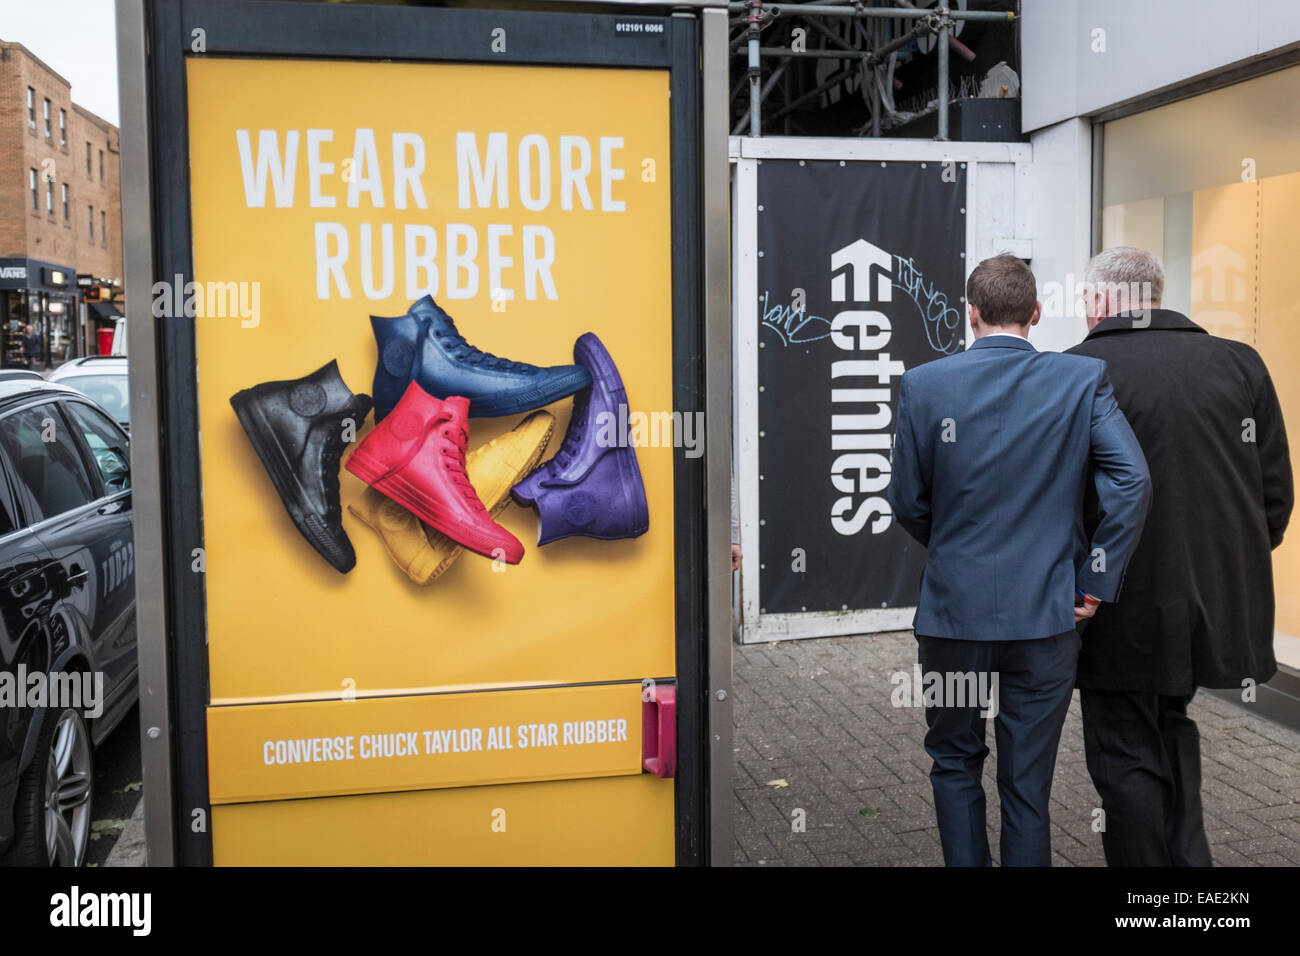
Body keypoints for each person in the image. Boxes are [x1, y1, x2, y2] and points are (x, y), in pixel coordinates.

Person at [888, 253, 1151, 866]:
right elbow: (1132, 480)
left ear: (970, 313)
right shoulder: (1080, 379)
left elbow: (906, 501)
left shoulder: (926, 384)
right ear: (1035, 314)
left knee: (954, 763)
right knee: (1028, 783)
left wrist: (954, 545)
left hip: (955, 617)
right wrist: (1095, 578)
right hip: (1050, 617)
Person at [1067, 247, 1293, 866]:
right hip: (1209, 606)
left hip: (1112, 606)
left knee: (1123, 751)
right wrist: (1227, 568)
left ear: (1100, 301)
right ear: (1157, 295)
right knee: (1172, 724)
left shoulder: (1073, 371)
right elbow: (1275, 496)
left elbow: (1055, 501)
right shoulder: (1239, 364)